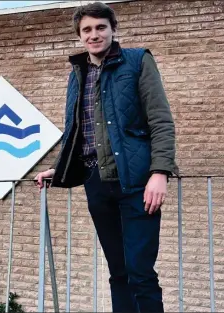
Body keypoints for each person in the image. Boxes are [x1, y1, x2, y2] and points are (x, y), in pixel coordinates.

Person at [35, 2, 179, 312]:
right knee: (118, 273)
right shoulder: (77, 74)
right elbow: (77, 131)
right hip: (96, 183)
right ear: (80, 35)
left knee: (140, 273)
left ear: (113, 30)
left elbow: (161, 121)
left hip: (136, 183)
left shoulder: (138, 61)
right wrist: (58, 169)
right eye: (87, 29)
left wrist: (160, 172)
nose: (94, 34)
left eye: (100, 27)